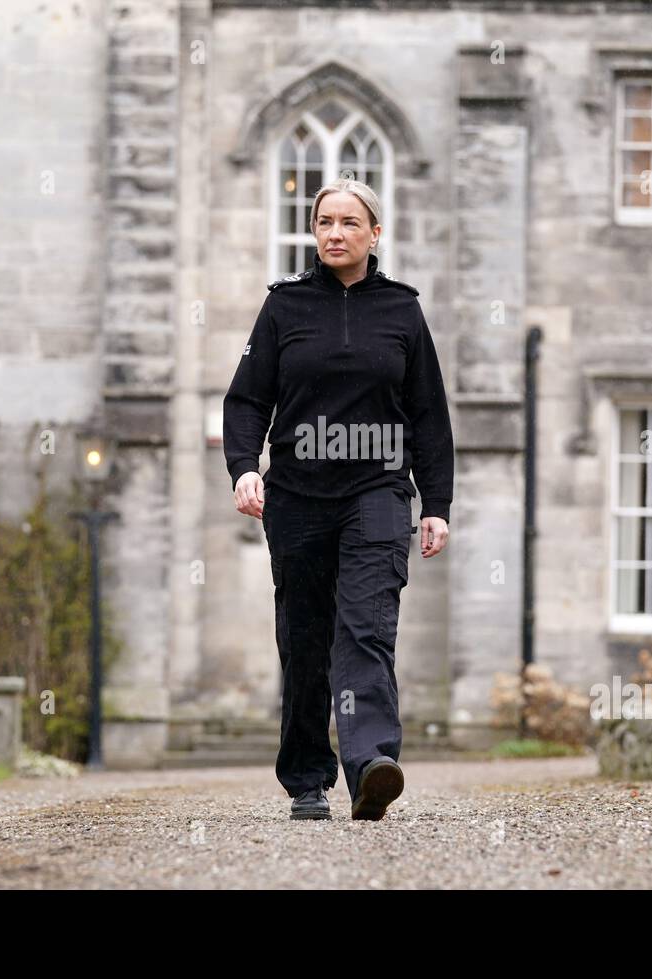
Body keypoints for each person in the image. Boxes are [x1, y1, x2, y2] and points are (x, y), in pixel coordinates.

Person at [223, 175, 455, 821]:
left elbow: (430, 416)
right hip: (296, 494)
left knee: (366, 627)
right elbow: (246, 399)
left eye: (349, 222)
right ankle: (305, 777)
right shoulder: (284, 308)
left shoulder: (402, 311)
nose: (334, 232)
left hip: (378, 489)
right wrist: (245, 467)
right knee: (304, 637)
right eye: (324, 221)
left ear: (374, 233)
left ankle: (372, 764)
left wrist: (436, 503)